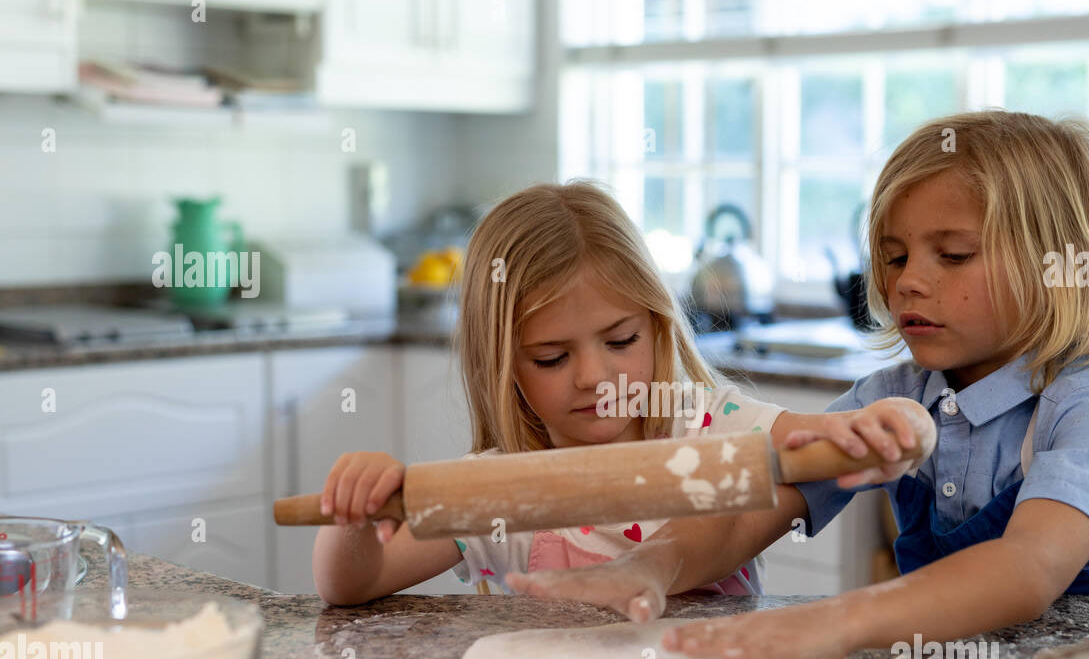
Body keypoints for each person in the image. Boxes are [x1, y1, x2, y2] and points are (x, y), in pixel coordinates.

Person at [511, 112, 1089, 659]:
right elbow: (757, 505)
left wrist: (841, 620)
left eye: (951, 255)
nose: (908, 283)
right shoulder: (892, 396)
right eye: (896, 257)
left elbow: (1027, 569)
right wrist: (651, 565)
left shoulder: (1088, 408)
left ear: (1058, 269)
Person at [311, 181, 928, 605]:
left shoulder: (709, 426)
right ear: (502, 367)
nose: (595, 378)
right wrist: (354, 517)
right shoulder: (498, 490)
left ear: (658, 324)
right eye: (551, 357)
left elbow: (819, 439)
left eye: (621, 340)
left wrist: (890, 420)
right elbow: (352, 585)